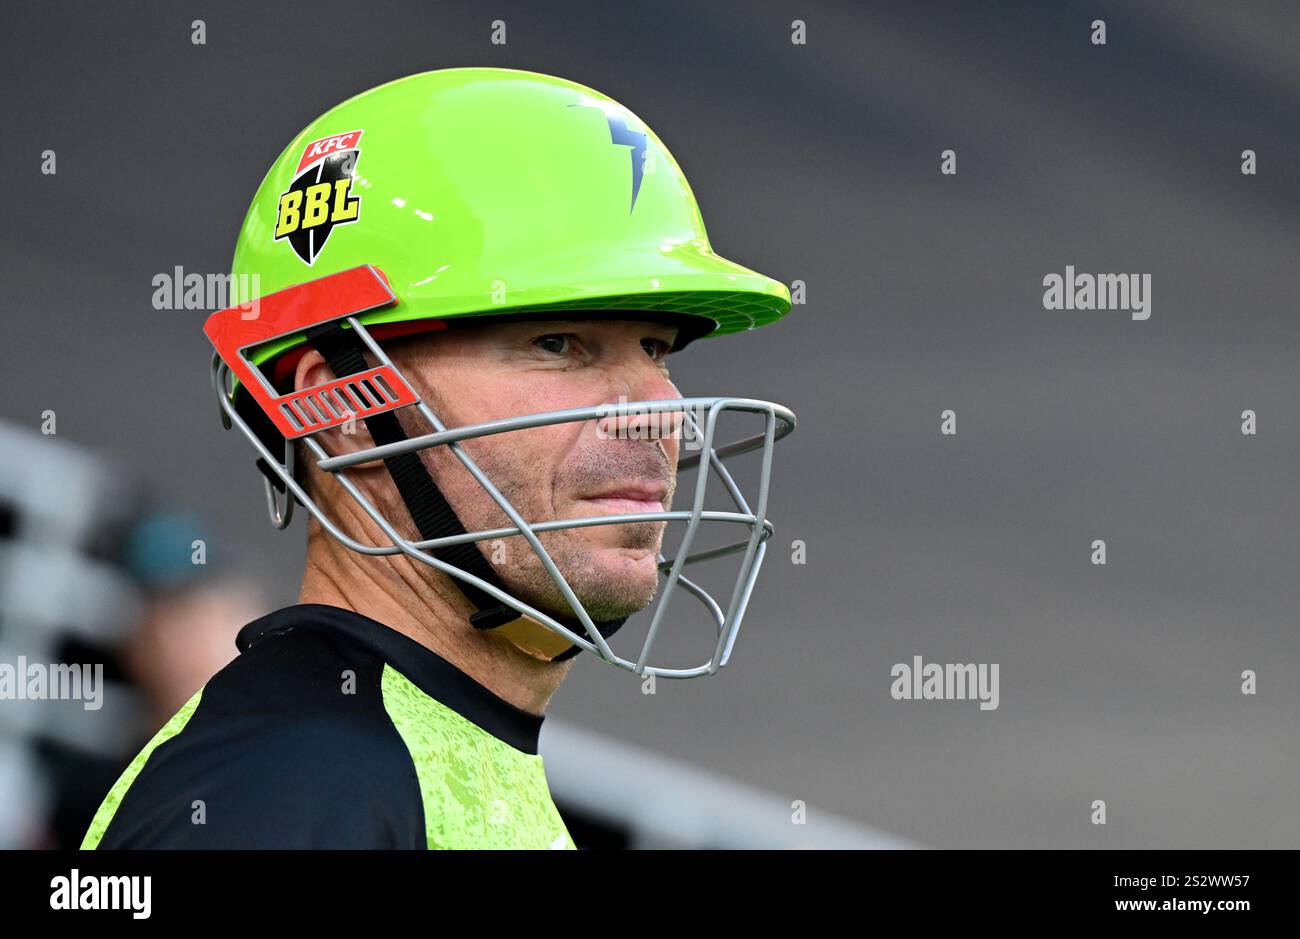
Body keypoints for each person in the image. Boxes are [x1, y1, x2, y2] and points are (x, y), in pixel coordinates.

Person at [82, 67, 796, 849]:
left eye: (657, 347)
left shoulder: (392, 758)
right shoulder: (282, 786)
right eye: (558, 343)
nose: (658, 409)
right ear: (345, 406)